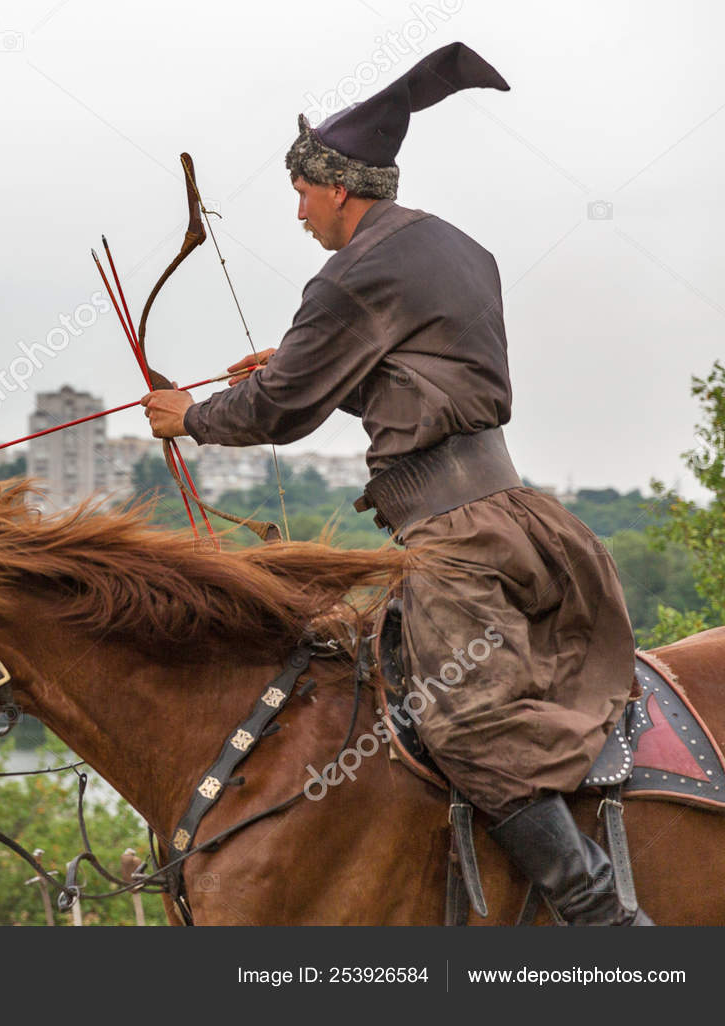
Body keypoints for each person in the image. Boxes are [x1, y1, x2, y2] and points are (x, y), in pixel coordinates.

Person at [141, 42, 648, 925]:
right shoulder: (458, 247)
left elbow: (277, 410)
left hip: (460, 542)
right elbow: (430, 389)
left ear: (339, 188)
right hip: (518, 520)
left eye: (301, 192)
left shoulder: (352, 274)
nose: (297, 211)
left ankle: (604, 923)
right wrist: (323, 370)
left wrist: (192, 416)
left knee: (467, 723)